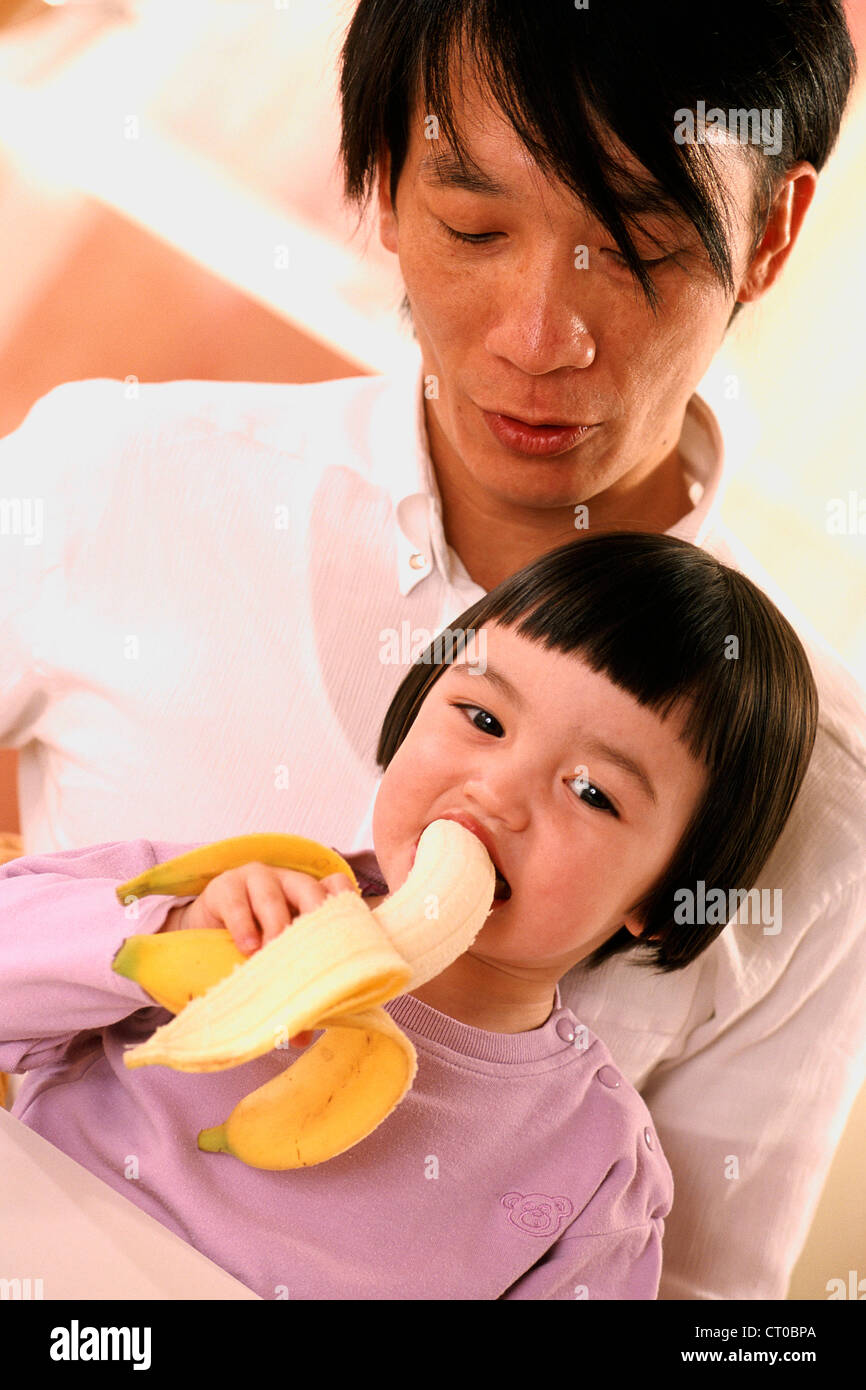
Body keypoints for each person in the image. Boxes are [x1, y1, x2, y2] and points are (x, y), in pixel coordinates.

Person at [0, 0, 863, 1300]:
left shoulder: (824, 797)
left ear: (771, 231)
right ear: (384, 189)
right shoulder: (113, 478)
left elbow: (697, 1301)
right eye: (472, 228)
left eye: (630, 246)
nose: (535, 335)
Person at [0, 533, 819, 1300]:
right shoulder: (218, 897)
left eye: (593, 793)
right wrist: (165, 936)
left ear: (664, 899)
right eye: (484, 720)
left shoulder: (594, 1168)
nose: (496, 792)